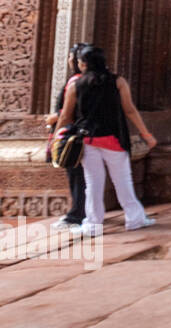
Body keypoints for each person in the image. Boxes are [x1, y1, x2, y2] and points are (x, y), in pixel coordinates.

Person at [54, 47, 158, 236]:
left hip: (88, 140)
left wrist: (57, 138)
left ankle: (93, 224)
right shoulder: (117, 81)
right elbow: (130, 110)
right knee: (123, 180)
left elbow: (66, 116)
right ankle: (135, 219)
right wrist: (146, 135)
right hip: (113, 139)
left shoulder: (76, 85)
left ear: (84, 63)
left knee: (93, 182)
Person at [46, 42, 91, 231]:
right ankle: (85, 212)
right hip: (81, 133)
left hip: (72, 134)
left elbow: (71, 110)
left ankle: (76, 214)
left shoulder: (77, 81)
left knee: (76, 174)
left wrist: (56, 119)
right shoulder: (88, 80)